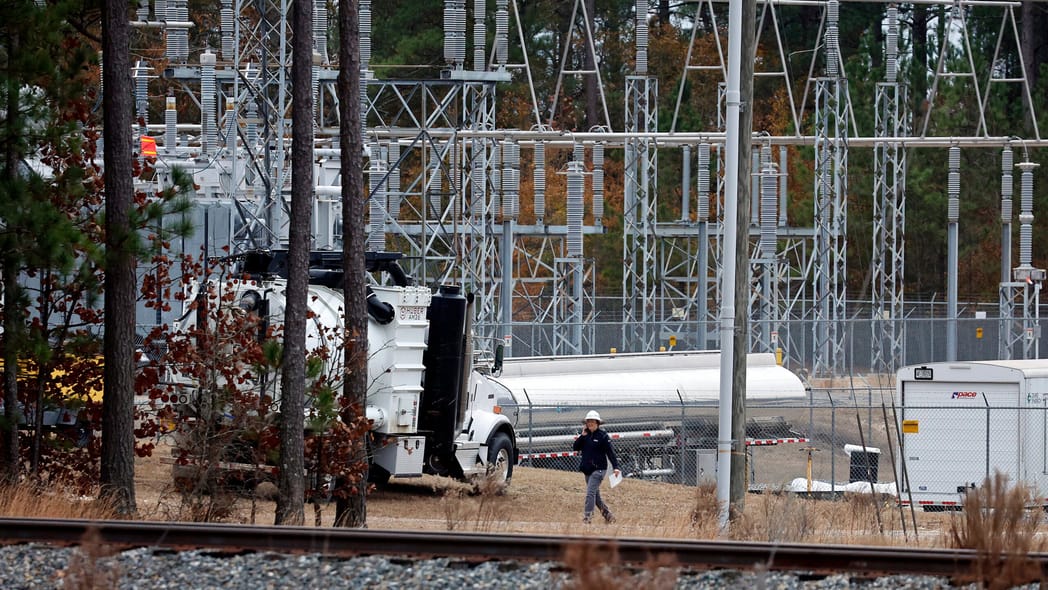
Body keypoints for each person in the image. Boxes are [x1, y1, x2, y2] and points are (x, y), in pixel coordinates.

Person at [572, 410, 621, 523]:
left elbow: (610, 453)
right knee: (596, 497)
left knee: (590, 493)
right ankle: (608, 516)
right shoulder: (585, 436)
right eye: (588, 422)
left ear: (597, 423)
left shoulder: (603, 436)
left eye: (592, 422)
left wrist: (616, 467)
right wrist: (582, 436)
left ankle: (587, 518)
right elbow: (575, 447)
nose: (590, 424)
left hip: (599, 470)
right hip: (587, 471)